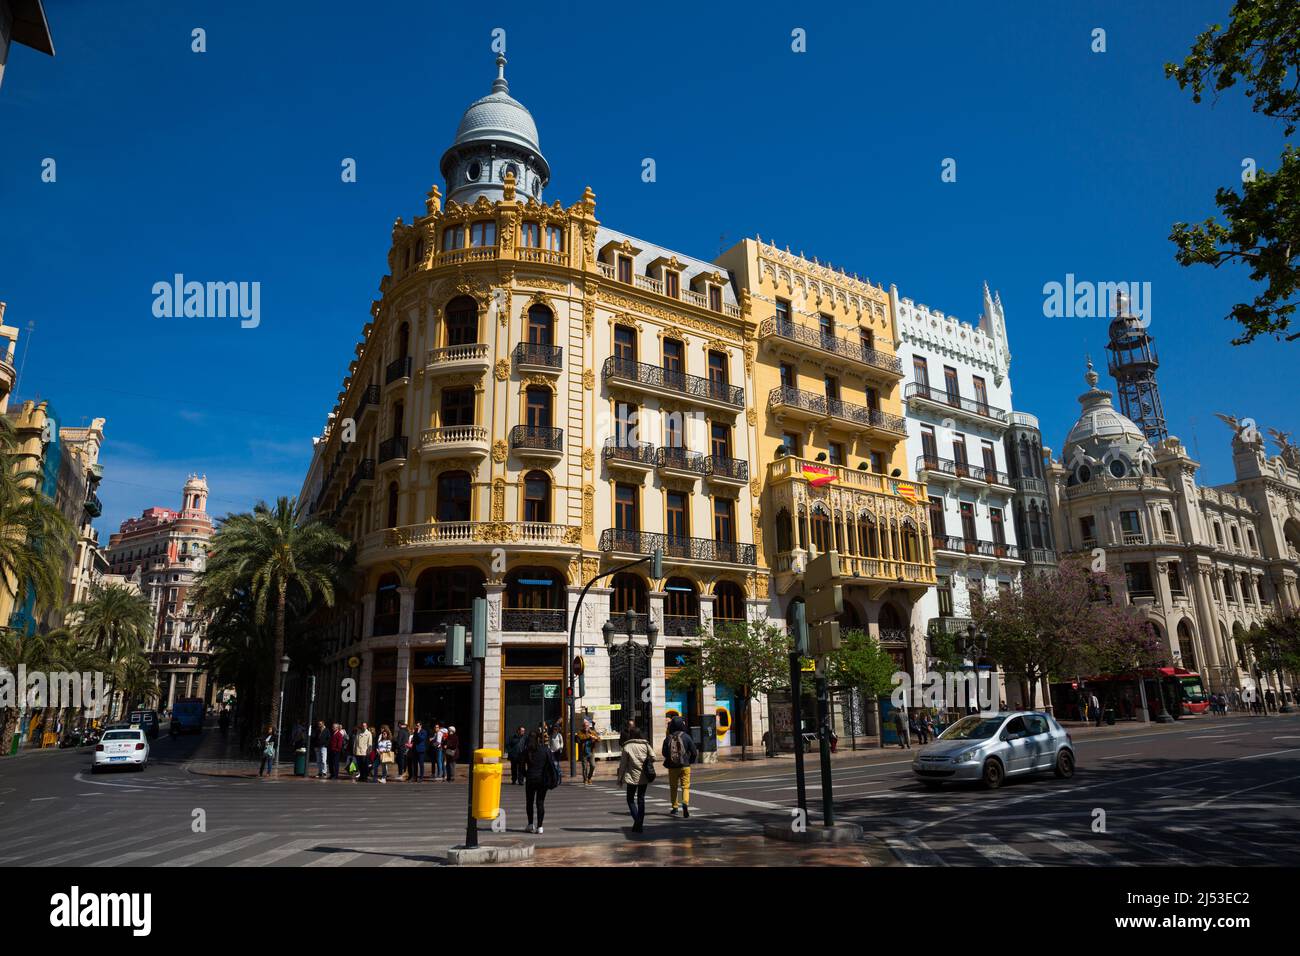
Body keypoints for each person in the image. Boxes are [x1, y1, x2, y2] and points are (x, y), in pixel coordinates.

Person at [618, 726, 655, 833]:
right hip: (644, 775)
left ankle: (638, 822)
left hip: (632, 776)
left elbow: (623, 764)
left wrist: (620, 778)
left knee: (630, 799)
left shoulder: (627, 746)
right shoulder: (645, 745)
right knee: (641, 799)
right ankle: (639, 824)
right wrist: (646, 760)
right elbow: (653, 757)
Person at [661, 716, 697, 818]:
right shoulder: (686, 736)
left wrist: (671, 758)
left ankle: (675, 807)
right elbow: (694, 751)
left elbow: (664, 753)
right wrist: (690, 761)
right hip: (685, 765)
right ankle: (685, 802)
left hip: (672, 767)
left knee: (673, 787)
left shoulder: (668, 738)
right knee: (685, 786)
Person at [523, 730, 557, 834]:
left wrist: (527, 774)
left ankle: (530, 824)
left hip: (530, 779)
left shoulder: (526, 751)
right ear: (538, 739)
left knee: (529, 802)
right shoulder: (545, 750)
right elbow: (551, 763)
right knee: (540, 802)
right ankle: (540, 827)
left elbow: (521, 767)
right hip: (542, 779)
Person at [580, 720, 600, 785]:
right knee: (584, 767)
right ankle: (585, 779)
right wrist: (589, 736)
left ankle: (589, 777)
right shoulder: (580, 732)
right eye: (585, 726)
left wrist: (595, 738)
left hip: (591, 751)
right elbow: (581, 738)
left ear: (589, 726)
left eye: (587, 726)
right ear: (583, 727)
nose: (586, 727)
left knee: (593, 765)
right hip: (584, 752)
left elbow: (599, 739)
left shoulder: (592, 732)